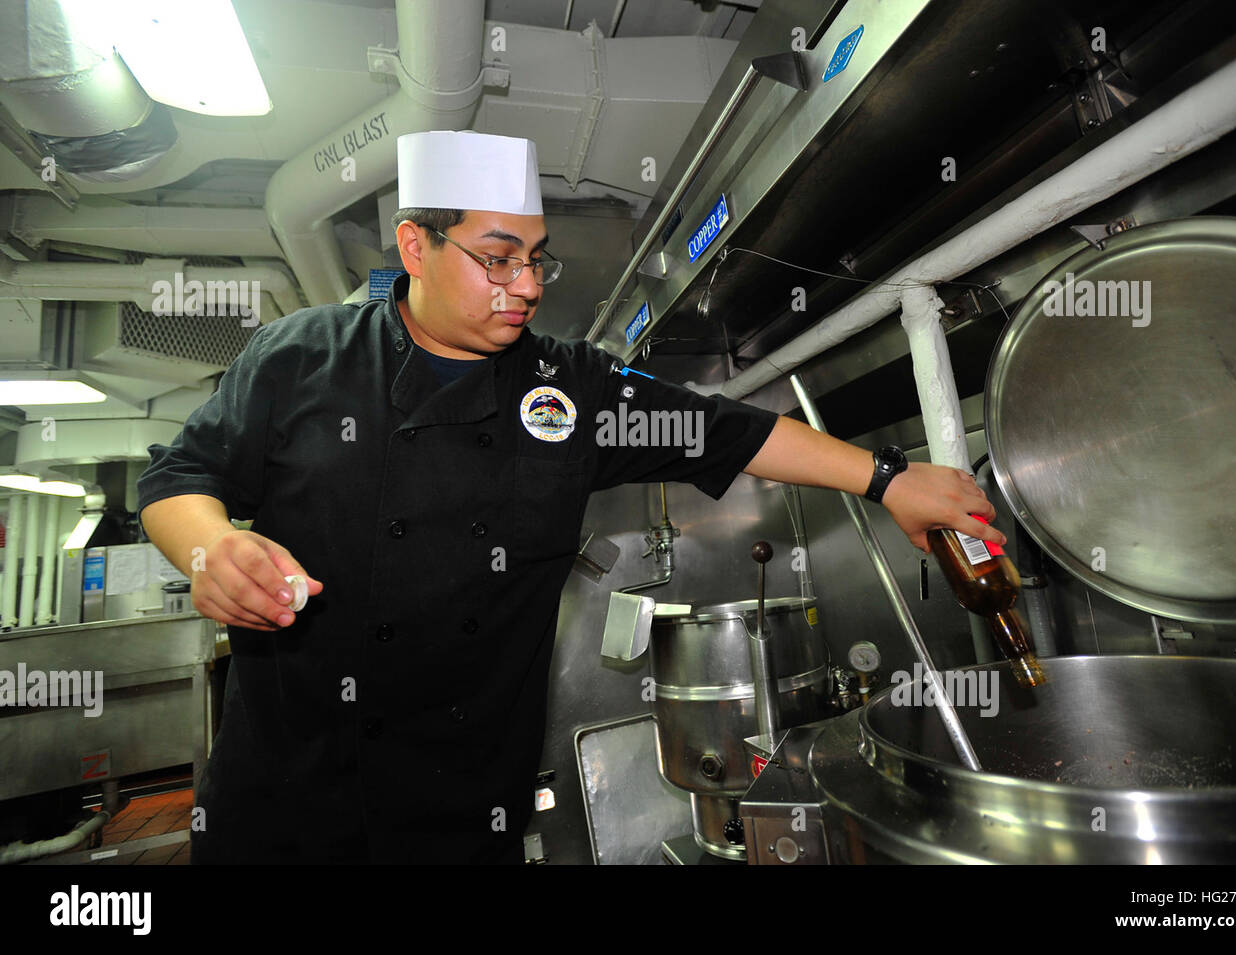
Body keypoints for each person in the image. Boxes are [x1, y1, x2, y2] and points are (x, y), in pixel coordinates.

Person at [138, 130, 1003, 864]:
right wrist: (209, 548)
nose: (527, 285)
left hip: (463, 808)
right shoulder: (300, 358)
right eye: (497, 259)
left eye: (536, 258)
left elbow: (725, 430)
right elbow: (178, 483)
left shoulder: (568, 387)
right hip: (283, 801)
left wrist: (890, 479)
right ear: (415, 248)